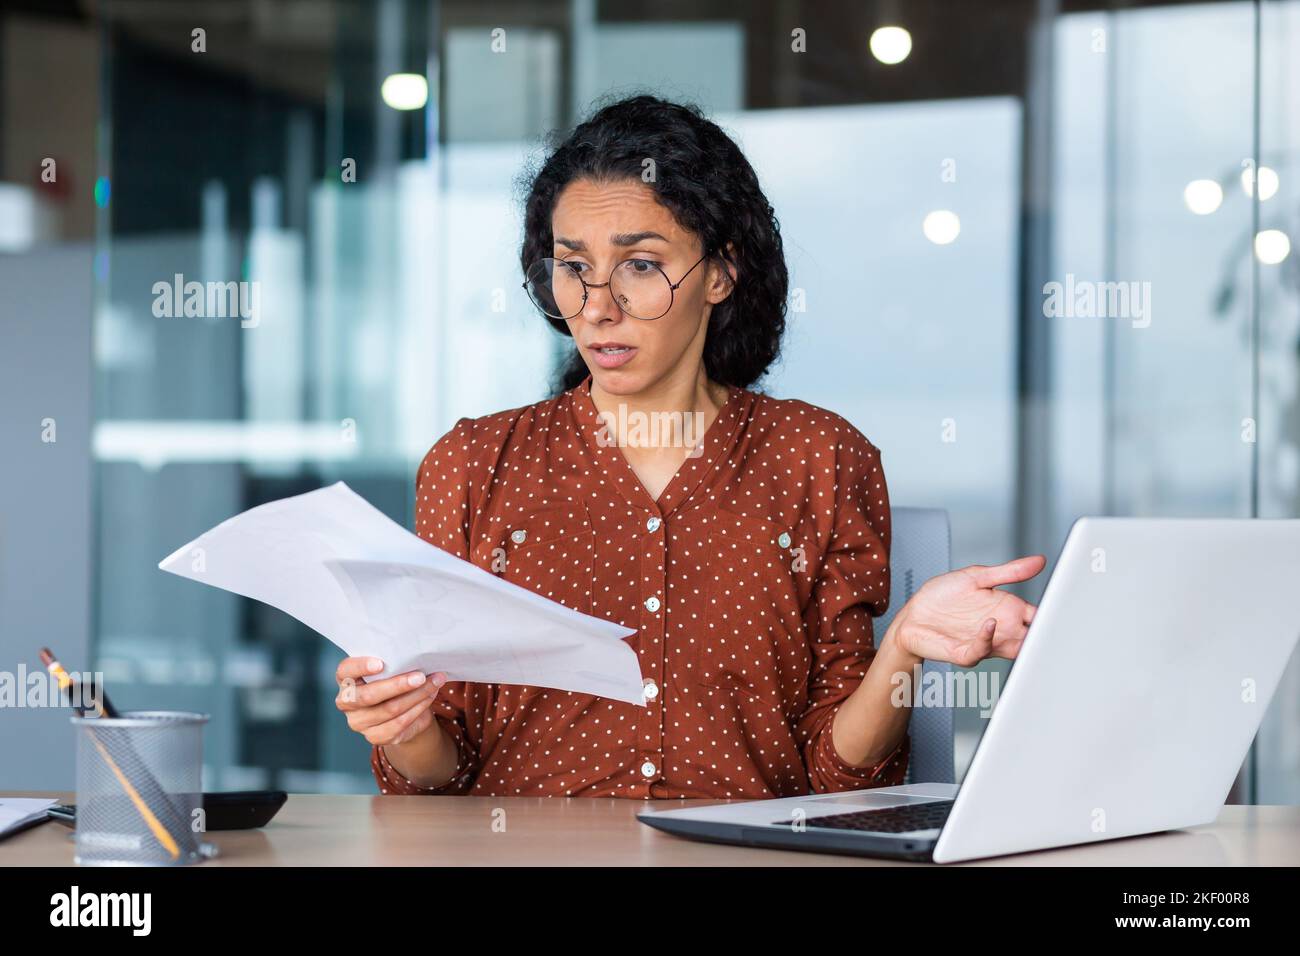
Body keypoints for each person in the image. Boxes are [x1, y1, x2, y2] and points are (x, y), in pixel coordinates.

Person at [336, 94, 1044, 799]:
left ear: (720, 272)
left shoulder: (818, 458)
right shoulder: (472, 465)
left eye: (640, 265)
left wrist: (906, 644)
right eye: (572, 267)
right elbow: (441, 773)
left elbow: (832, 774)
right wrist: (401, 726)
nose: (597, 305)